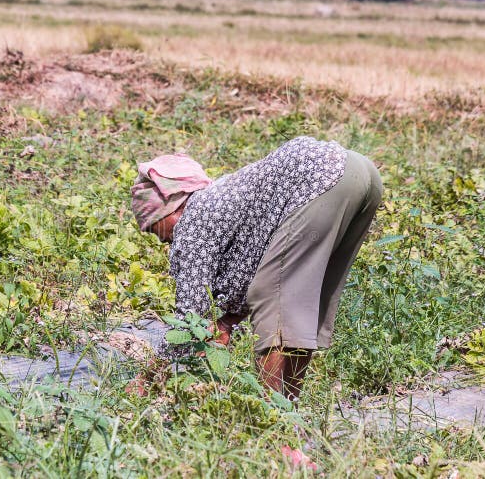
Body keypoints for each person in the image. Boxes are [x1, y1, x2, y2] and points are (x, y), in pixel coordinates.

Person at [128, 136, 383, 398]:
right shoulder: (222, 198)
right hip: (361, 174)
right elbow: (251, 270)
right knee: (300, 307)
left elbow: (188, 318)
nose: (161, 239)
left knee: (272, 298)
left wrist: (147, 377)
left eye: (154, 228)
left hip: (322, 176)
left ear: (170, 210)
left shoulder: (192, 220)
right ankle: (288, 409)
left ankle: (268, 414)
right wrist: (226, 322)